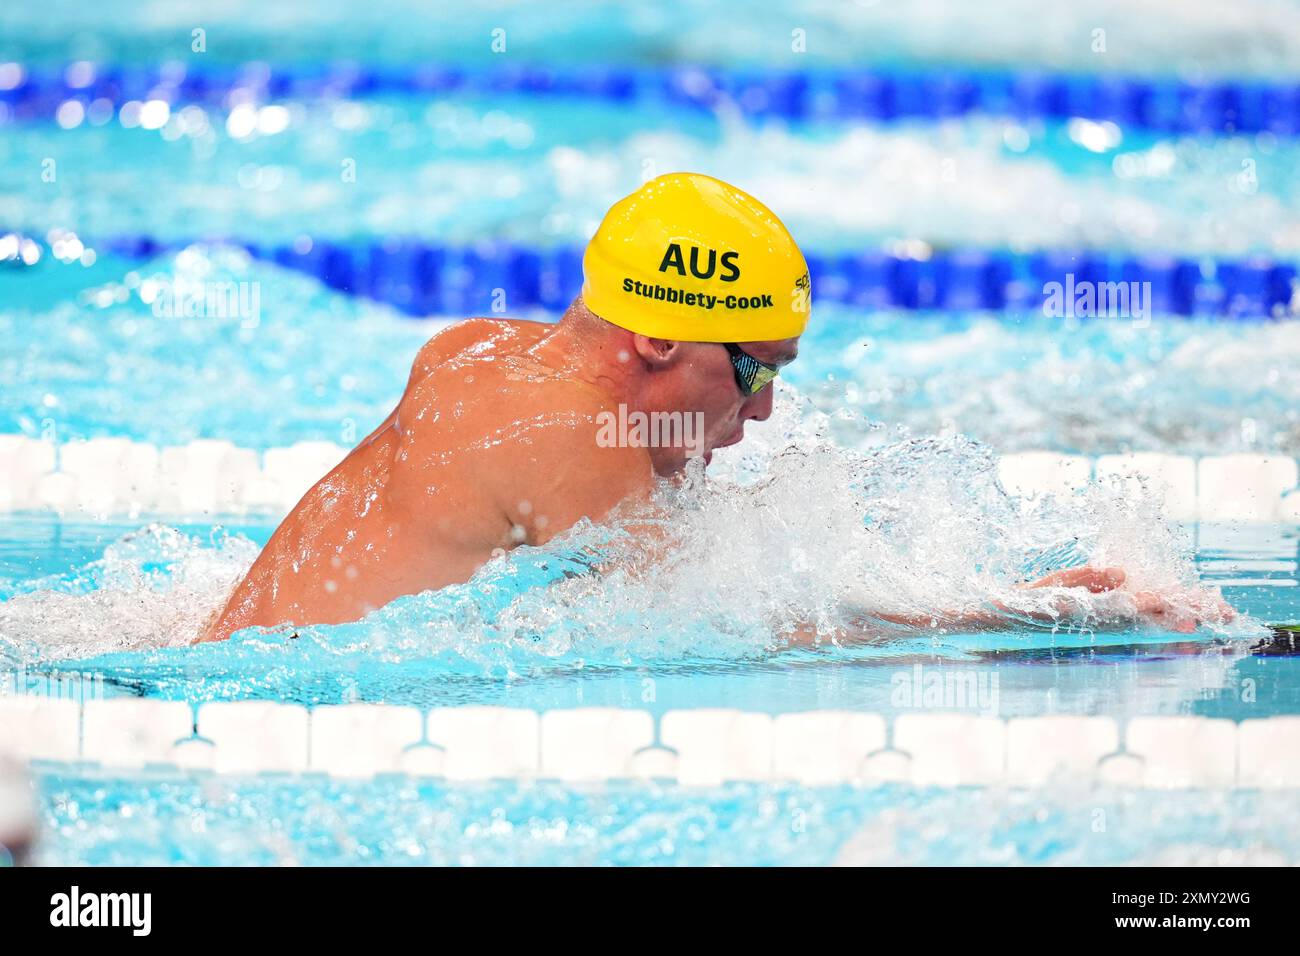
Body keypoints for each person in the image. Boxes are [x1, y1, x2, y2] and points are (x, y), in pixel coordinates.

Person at [198, 173, 1230, 643]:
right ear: (656, 340)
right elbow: (728, 627)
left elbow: (718, 562)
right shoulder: (557, 436)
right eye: (750, 370)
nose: (769, 408)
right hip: (268, 711)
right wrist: (1024, 609)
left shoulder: (492, 351)